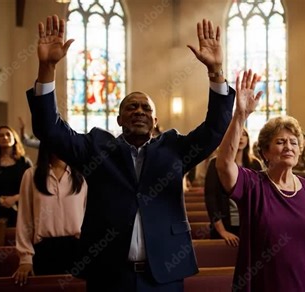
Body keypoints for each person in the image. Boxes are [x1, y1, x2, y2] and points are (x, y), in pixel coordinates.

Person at [27, 15, 234, 291]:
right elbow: (49, 130)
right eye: (131, 107)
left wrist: (216, 71)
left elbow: (214, 128)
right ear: (119, 120)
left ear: (156, 121)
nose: (139, 111)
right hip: (109, 275)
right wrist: (47, 67)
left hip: (164, 274)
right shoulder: (96, 149)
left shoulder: (175, 149)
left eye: (146, 108)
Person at [216, 70, 305, 292]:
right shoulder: (253, 185)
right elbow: (224, 165)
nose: (289, 147)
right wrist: (240, 116)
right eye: (281, 142)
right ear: (264, 152)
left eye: (294, 143)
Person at [14, 143, 87, 286]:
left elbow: (89, 217)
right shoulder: (31, 175)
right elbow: (24, 219)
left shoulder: (81, 175)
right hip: (44, 249)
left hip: (77, 248)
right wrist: (25, 259)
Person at [204, 128, 262, 245]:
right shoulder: (216, 163)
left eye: (244, 135)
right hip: (224, 226)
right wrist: (222, 231)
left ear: (248, 140)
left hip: (250, 226)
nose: (241, 137)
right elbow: (211, 199)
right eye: (237, 134)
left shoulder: (255, 164)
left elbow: (261, 198)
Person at [0, 126, 32, 246]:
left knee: (19, 243)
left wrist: (14, 198)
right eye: (1, 135)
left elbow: (31, 188)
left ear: (14, 138)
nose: (5, 137)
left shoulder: (24, 162)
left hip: (21, 208)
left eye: (8, 134)